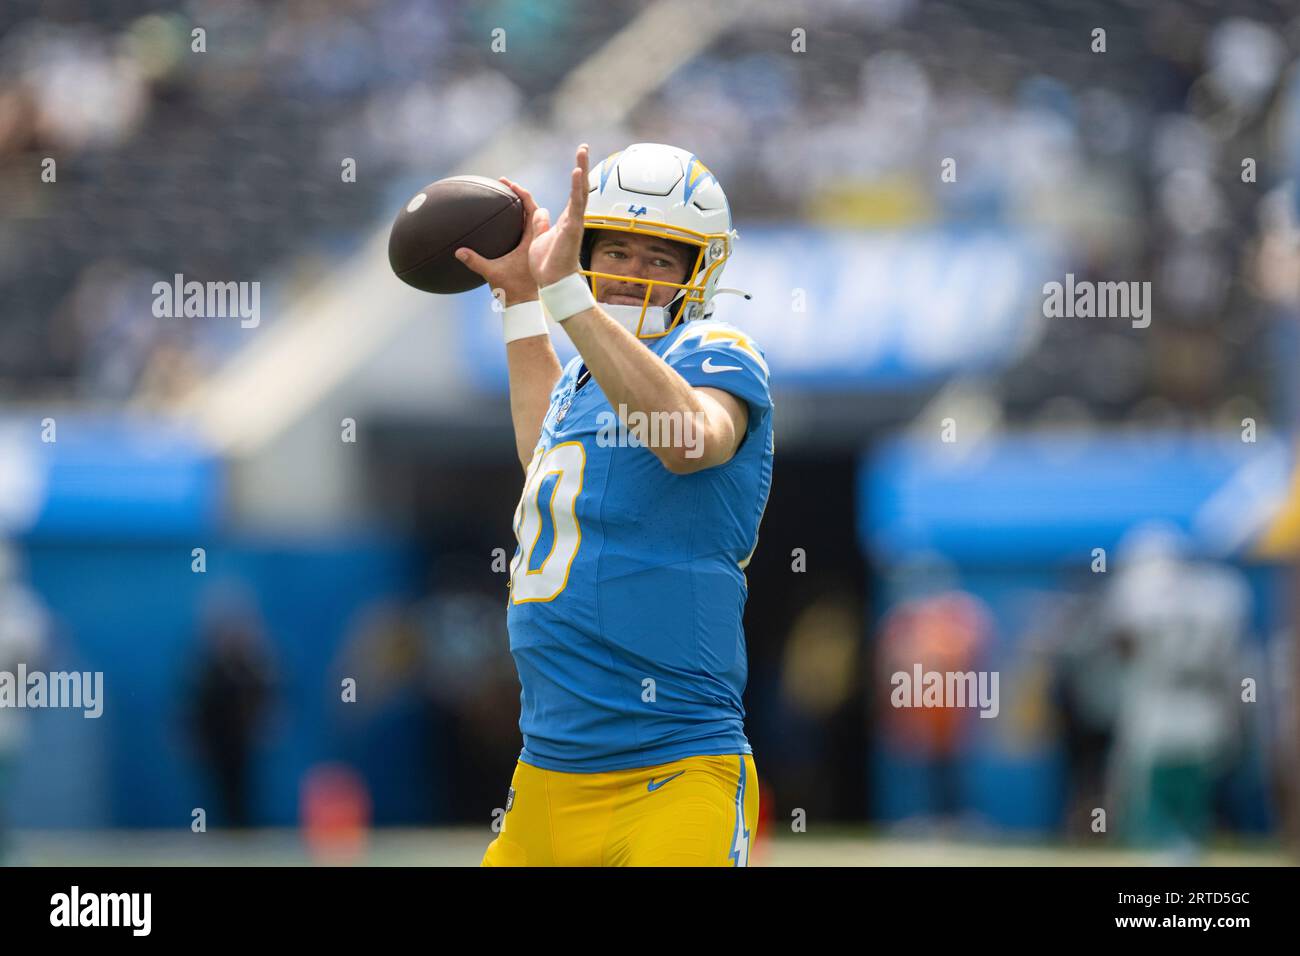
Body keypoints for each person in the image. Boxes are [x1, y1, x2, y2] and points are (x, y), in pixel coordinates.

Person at [455, 143, 773, 866]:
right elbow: (543, 449)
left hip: (671, 770)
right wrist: (521, 298)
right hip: (544, 773)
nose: (632, 274)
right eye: (616, 249)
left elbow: (691, 437)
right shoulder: (583, 381)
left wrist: (566, 297)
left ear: (700, 270)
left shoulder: (716, 350)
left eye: (660, 258)